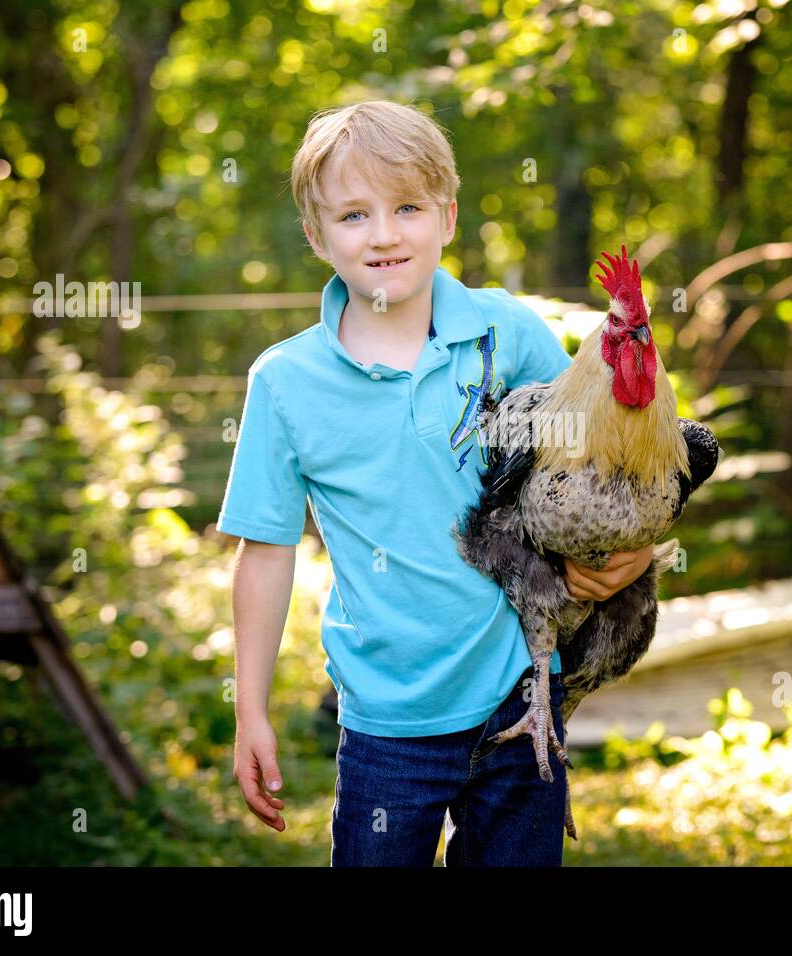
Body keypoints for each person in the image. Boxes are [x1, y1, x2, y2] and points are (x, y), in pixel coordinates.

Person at [219, 100, 653, 866]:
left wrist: (631, 556)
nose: (384, 233)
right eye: (354, 214)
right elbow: (265, 550)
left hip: (522, 696)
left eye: (408, 207)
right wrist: (249, 709)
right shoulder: (286, 382)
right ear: (318, 236)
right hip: (390, 717)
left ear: (448, 217)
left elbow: (593, 467)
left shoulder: (505, 332)